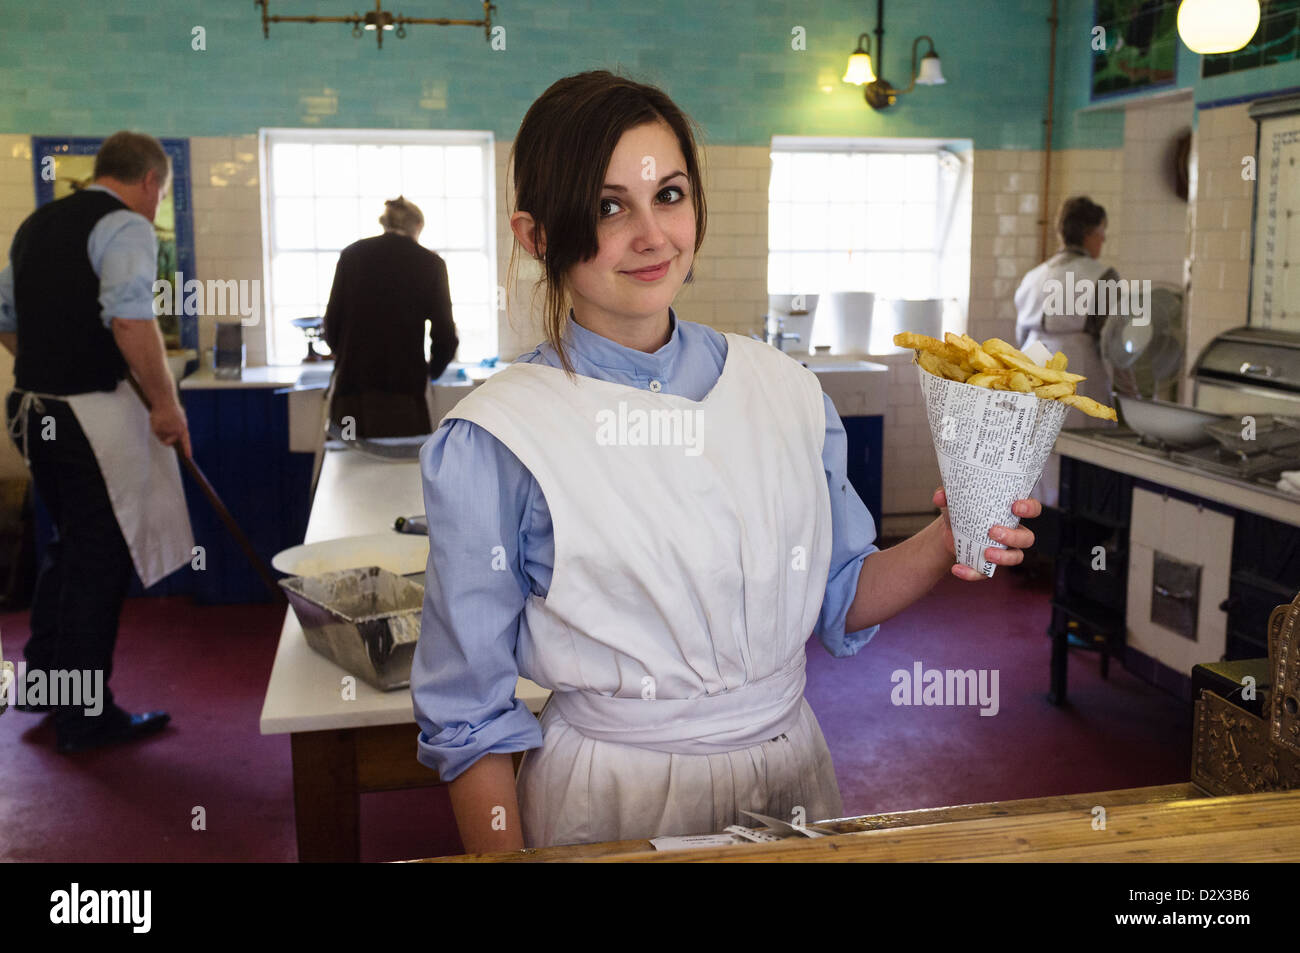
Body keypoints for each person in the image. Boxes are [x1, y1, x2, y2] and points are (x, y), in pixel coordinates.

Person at [410, 71, 1043, 853]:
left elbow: (840, 595)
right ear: (536, 236)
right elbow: (468, 713)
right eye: (610, 208)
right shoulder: (499, 435)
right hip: (608, 802)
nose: (651, 236)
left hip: (793, 776)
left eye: (669, 195)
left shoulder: (782, 389)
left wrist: (947, 538)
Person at [0, 131, 194, 752]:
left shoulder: (39, 223)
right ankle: (86, 717)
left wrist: (52, 363)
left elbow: (4, 317)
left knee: (68, 545)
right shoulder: (125, 225)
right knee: (98, 559)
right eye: (158, 193)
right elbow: (132, 318)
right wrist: (167, 406)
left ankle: (48, 689)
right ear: (149, 183)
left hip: (32, 413)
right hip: (85, 421)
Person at [1014, 195, 1121, 507]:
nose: (1102, 242)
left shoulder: (1032, 277)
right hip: (1078, 365)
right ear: (1090, 234)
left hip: (1031, 363)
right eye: (1102, 234)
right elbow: (1113, 343)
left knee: (1034, 451)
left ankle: (1031, 533)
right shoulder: (1102, 276)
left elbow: (1018, 333)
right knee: (1077, 457)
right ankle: (1076, 536)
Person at [322, 197, 458, 439]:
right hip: (403, 396)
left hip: (352, 392)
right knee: (402, 471)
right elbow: (446, 336)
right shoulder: (431, 264)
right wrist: (430, 372)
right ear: (416, 227)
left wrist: (347, 357)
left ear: (385, 224)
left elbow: (331, 324)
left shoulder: (351, 255)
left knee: (347, 467)